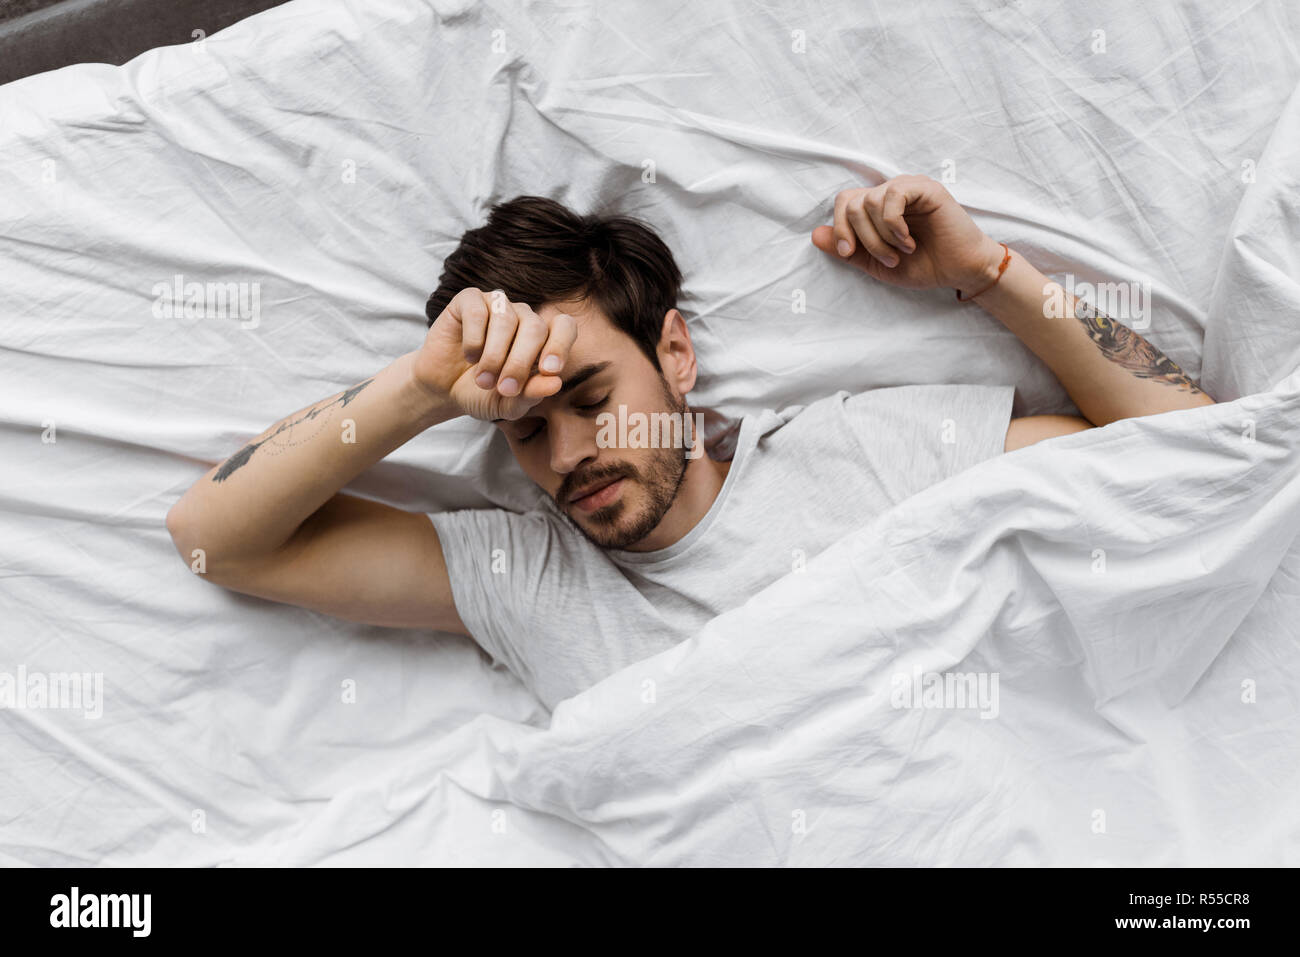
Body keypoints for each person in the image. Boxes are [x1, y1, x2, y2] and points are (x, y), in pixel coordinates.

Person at [166, 175, 1215, 710]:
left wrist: (985, 270)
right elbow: (220, 538)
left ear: (673, 355)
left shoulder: (860, 451)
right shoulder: (531, 575)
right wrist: (420, 391)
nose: (566, 452)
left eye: (587, 396)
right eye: (521, 430)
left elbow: (1199, 458)